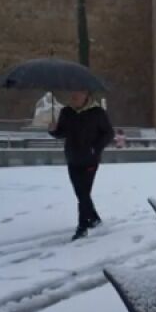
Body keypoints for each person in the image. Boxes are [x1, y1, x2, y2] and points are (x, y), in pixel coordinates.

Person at [48, 91, 114, 240]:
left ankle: (82, 227)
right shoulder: (66, 112)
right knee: (81, 193)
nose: (74, 96)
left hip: (90, 160)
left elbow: (109, 133)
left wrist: (95, 148)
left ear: (86, 95)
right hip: (72, 158)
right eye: (73, 94)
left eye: (77, 94)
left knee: (83, 194)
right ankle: (94, 218)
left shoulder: (97, 112)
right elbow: (62, 132)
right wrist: (53, 130)